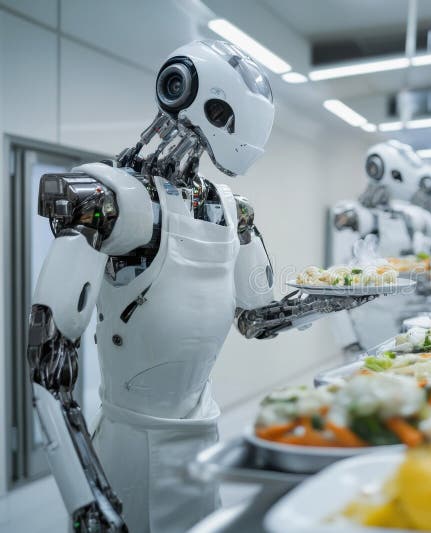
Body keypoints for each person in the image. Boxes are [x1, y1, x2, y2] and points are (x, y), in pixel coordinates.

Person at [27, 40, 376, 532]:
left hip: (202, 433)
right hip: (132, 441)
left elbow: (257, 316)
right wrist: (88, 500)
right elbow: (49, 362)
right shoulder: (108, 200)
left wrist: (340, 298)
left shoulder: (231, 209)